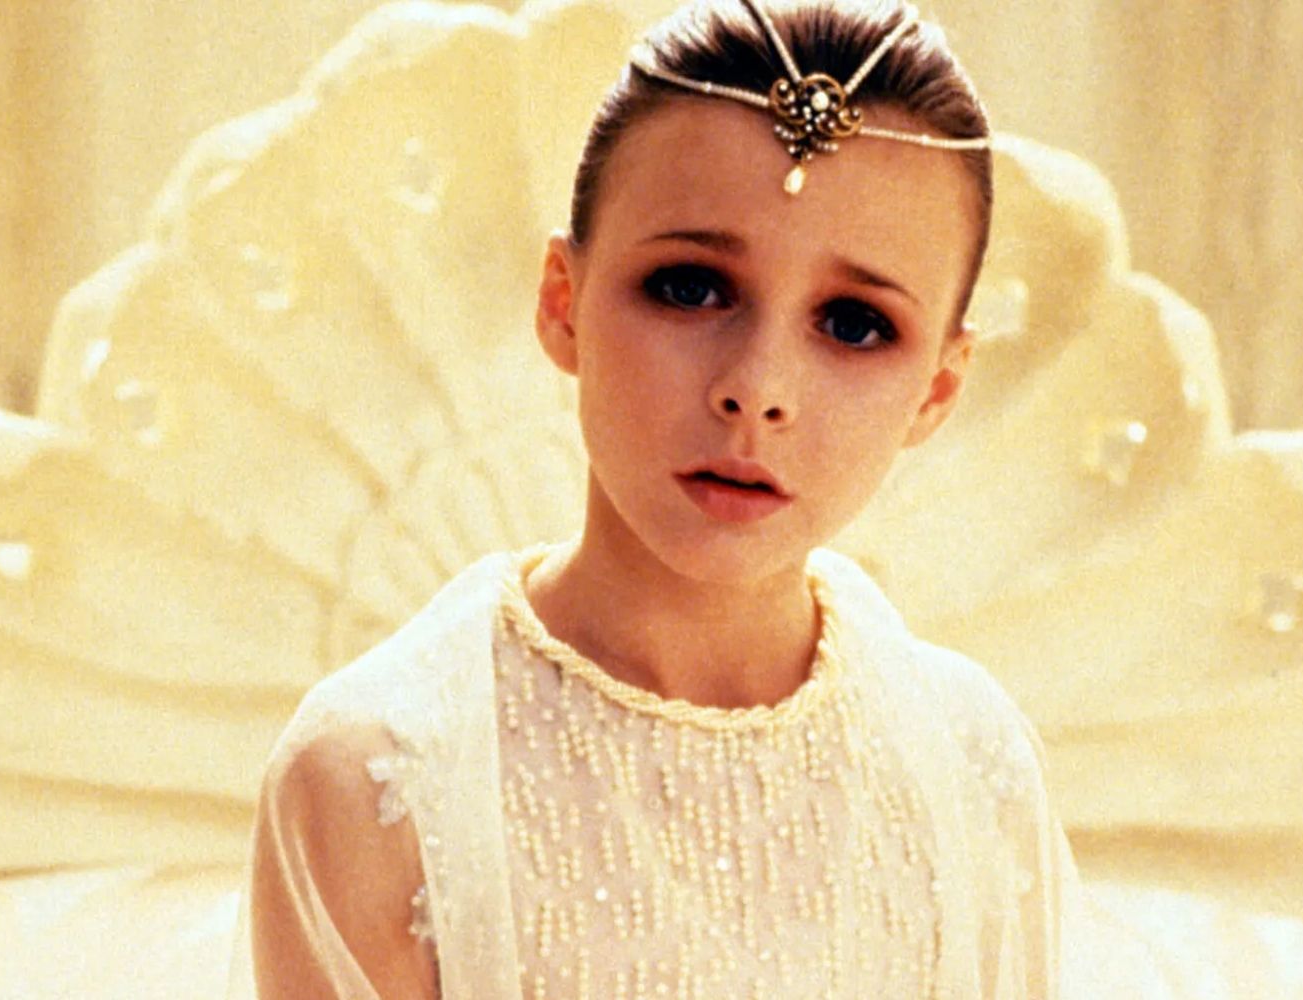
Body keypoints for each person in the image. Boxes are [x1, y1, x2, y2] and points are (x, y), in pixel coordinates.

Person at [238, 0, 1094, 996]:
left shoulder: (969, 762)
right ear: (562, 302)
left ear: (937, 389)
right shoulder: (373, 780)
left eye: (854, 324)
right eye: (690, 287)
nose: (756, 388)